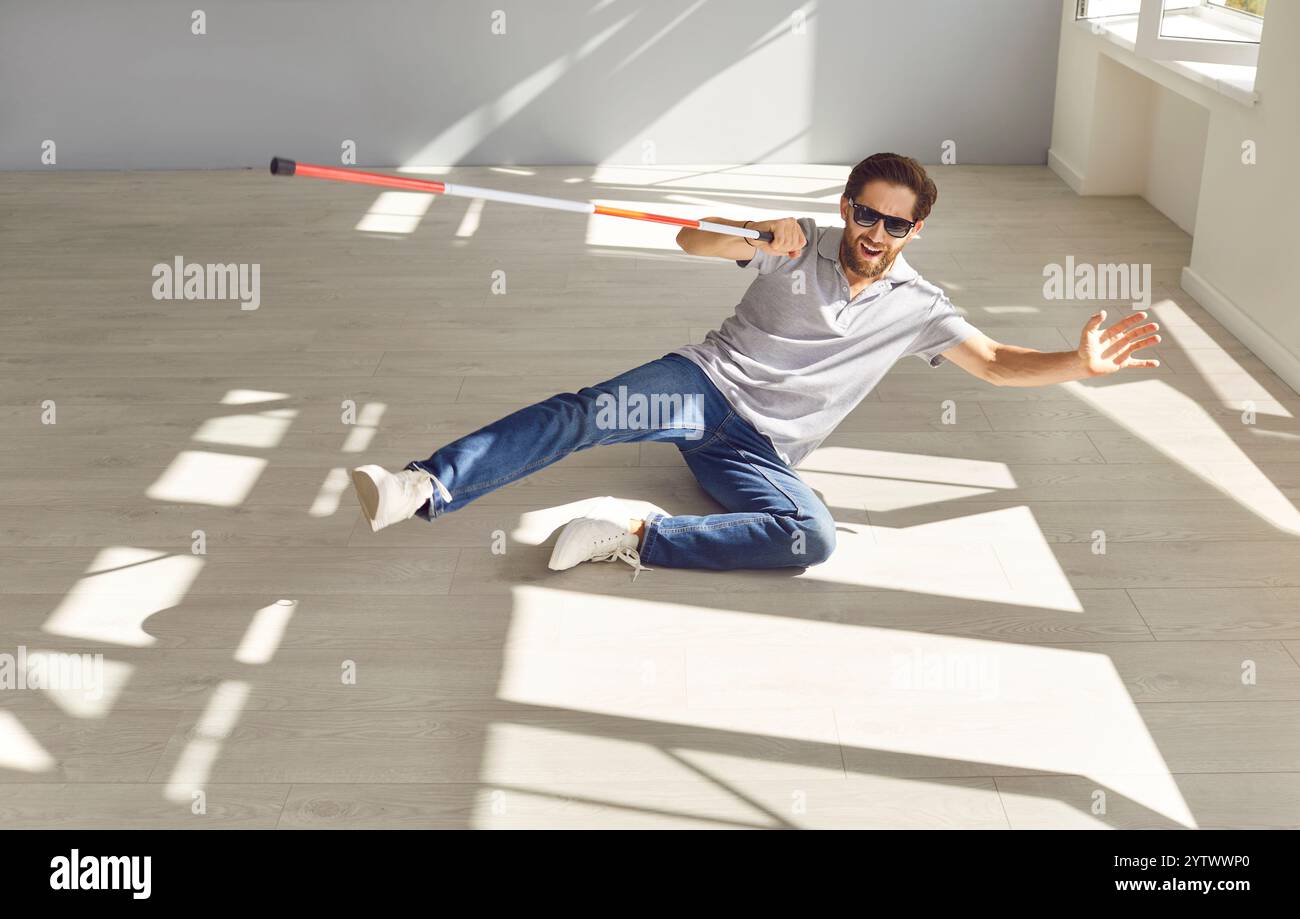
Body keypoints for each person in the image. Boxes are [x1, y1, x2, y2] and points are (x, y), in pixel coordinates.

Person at [349, 152, 1160, 577]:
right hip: (702, 389)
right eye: (867, 214)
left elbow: (995, 362)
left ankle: (633, 538)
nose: (876, 233)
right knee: (587, 411)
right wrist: (749, 232)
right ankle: (423, 483)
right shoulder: (797, 244)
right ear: (847, 207)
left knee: (812, 536)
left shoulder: (919, 306)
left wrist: (1075, 364)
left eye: (896, 225)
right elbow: (690, 239)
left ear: (916, 233)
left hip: (761, 452)